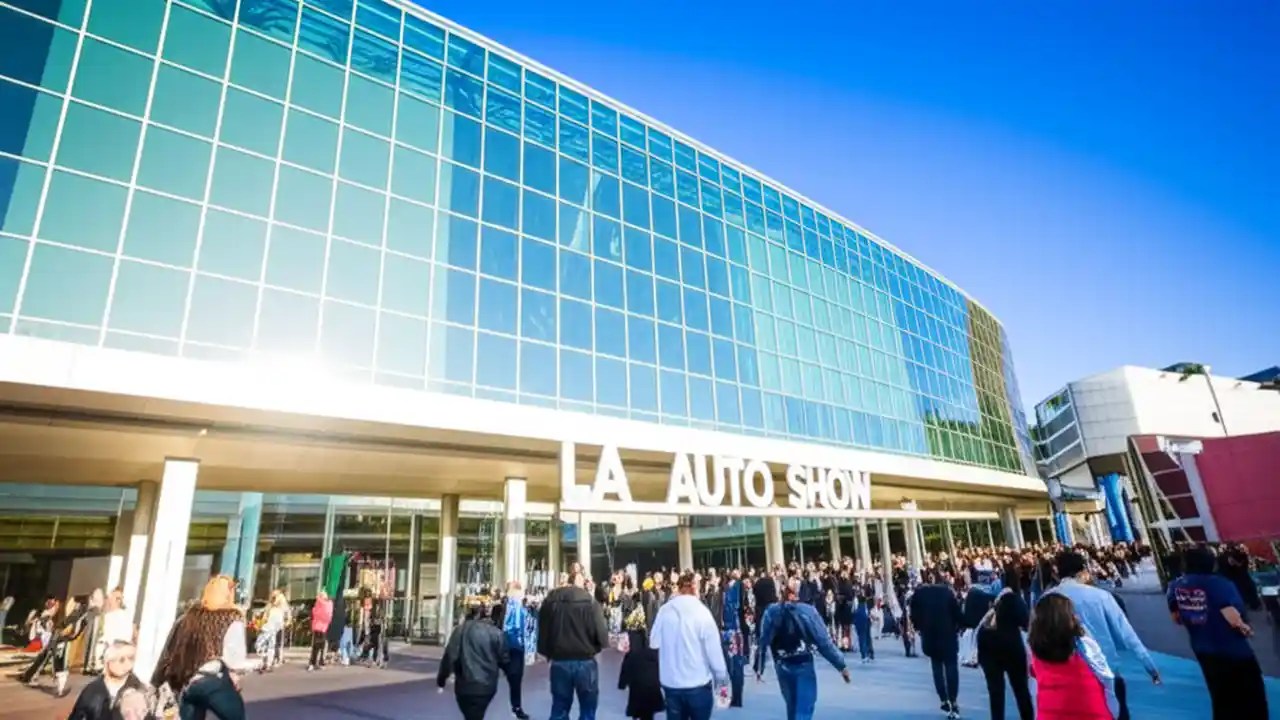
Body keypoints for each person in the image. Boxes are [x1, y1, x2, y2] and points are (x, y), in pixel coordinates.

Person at [1053, 550, 1159, 720]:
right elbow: (1127, 633)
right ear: (1083, 571)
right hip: (1106, 668)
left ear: (1057, 572)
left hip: (1067, 672)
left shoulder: (1047, 599)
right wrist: (1149, 665)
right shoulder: (1101, 596)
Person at [1167, 546, 1268, 719]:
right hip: (1232, 649)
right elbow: (1232, 616)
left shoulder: (1176, 585)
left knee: (1220, 697)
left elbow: (1176, 618)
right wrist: (1246, 630)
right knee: (1251, 697)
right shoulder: (1218, 584)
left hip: (1202, 648)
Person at [152, 575, 251, 720]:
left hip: (184, 684)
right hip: (212, 681)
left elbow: (169, 651)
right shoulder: (230, 617)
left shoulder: (187, 617)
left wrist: (156, 682)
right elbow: (235, 660)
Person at [756, 579, 850, 720]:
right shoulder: (808, 611)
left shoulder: (772, 611)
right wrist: (841, 665)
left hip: (782, 662)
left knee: (792, 706)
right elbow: (823, 642)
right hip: (803, 661)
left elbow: (763, 641)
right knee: (804, 709)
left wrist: (759, 667)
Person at [649, 572, 728, 720]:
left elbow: (654, 642)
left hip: (671, 682)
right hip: (697, 682)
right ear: (694, 588)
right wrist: (721, 676)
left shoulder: (665, 611)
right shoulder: (702, 612)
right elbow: (713, 649)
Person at [1028, 593, 1118, 720]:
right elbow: (1106, 678)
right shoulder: (1084, 645)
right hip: (1093, 713)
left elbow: (1034, 691)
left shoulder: (1036, 653)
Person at [538, 572, 609, 720]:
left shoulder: (550, 601)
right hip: (585, 659)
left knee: (559, 706)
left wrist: (547, 651)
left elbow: (543, 630)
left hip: (559, 660)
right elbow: (602, 635)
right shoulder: (589, 602)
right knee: (588, 709)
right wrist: (595, 647)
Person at [437, 603, 509, 720]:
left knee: (471, 715)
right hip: (487, 685)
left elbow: (450, 656)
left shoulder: (460, 631)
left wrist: (442, 679)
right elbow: (504, 658)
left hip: (465, 685)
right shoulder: (496, 633)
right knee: (476, 714)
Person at [909, 571, 963, 719]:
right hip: (948, 634)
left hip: (930, 635)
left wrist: (920, 627)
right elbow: (957, 613)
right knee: (951, 667)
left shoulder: (919, 594)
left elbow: (913, 614)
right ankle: (953, 700)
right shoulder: (947, 593)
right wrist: (961, 624)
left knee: (936, 666)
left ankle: (943, 698)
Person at [976, 589, 1033, 720]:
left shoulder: (991, 602)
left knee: (995, 691)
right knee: (1021, 689)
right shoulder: (1015, 600)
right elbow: (1025, 621)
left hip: (988, 647)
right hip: (1012, 647)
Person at [67, 639, 152, 720]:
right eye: (121, 660)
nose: (128, 663)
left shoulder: (140, 691)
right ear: (107, 661)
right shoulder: (92, 690)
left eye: (131, 658)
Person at [617, 612, 664, 720]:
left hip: (636, 689)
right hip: (652, 689)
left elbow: (625, 670)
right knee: (649, 714)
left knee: (637, 712)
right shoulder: (653, 652)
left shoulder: (631, 654)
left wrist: (622, 684)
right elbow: (660, 667)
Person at [499, 581, 532, 720]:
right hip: (515, 646)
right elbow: (517, 627)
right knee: (516, 678)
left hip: (506, 645)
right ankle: (516, 708)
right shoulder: (516, 606)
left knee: (513, 678)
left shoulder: (505, 605)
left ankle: (516, 707)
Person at [307, 590, 333, 671]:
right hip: (324, 628)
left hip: (317, 627)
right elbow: (329, 617)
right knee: (322, 646)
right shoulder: (329, 604)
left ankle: (312, 663)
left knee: (315, 646)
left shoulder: (318, 604)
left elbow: (314, 613)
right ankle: (321, 662)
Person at [851, 593, 874, 663]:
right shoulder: (865, 607)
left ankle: (864, 655)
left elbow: (854, 615)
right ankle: (868, 653)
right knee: (867, 638)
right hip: (865, 623)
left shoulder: (858, 608)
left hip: (860, 624)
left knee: (862, 639)